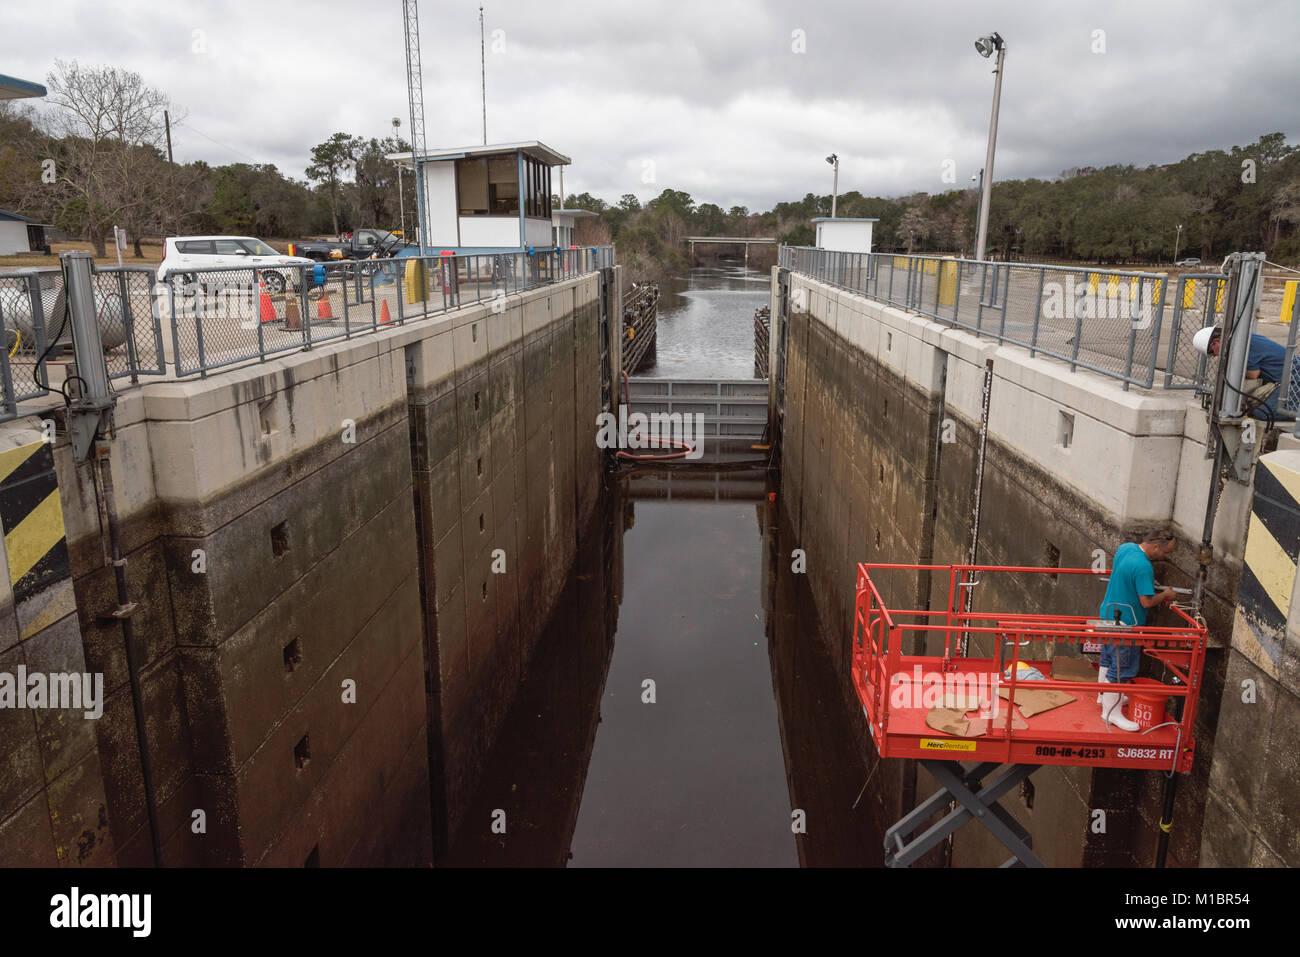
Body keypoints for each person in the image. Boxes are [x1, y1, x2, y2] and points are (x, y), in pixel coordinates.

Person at [1096, 533, 1176, 731]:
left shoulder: (1126, 548)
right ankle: (1110, 713)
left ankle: (1102, 696)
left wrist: (1147, 585)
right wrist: (1165, 595)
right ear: (1156, 546)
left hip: (1107, 612)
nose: (1164, 556)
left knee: (1107, 658)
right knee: (1122, 667)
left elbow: (1126, 576)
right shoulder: (1144, 567)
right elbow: (1146, 602)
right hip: (1126, 622)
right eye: (1165, 552)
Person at [1192, 325, 1296, 420]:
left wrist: (1234, 370)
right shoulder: (1241, 339)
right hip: (1286, 377)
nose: (1214, 355)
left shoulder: (1241, 345)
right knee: (1256, 409)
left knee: (1262, 414)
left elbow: (1253, 374)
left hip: (1293, 380)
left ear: (1216, 341)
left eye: (1211, 352)